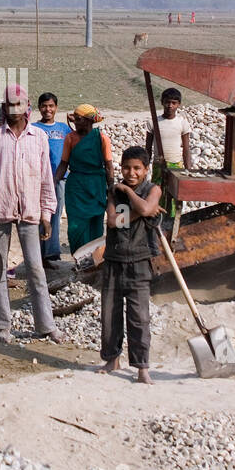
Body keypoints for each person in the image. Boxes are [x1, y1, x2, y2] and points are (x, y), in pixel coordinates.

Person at [0, 84, 62, 345]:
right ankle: (2, 324)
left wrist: (47, 213)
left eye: (19, 105)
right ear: (3, 109)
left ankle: (46, 325)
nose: (14, 111)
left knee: (36, 268)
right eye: (10, 106)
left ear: (27, 108)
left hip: (30, 211)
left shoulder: (39, 137)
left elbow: (47, 178)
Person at [99, 147, 161, 383]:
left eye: (137, 168)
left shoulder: (153, 189)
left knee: (139, 317)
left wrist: (139, 202)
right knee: (109, 315)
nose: (131, 173)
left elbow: (147, 207)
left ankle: (141, 366)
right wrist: (144, 210)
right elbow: (114, 222)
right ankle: (112, 357)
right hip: (114, 260)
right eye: (126, 168)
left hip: (140, 260)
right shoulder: (114, 191)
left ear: (146, 170)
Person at [55, 104, 114, 255]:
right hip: (76, 187)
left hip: (96, 186)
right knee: (76, 226)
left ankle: (94, 259)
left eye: (78, 118)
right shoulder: (70, 138)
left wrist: (112, 189)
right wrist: (53, 182)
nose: (75, 121)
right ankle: (78, 258)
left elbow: (108, 166)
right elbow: (63, 164)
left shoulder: (101, 138)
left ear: (88, 120)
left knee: (96, 225)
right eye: (74, 118)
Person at [33, 92, 71, 269]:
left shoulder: (64, 128)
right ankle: (37, 253)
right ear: (39, 107)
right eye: (44, 106)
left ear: (56, 107)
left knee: (55, 216)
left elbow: (76, 142)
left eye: (51, 106)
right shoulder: (33, 128)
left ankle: (52, 252)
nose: (47, 109)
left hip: (59, 180)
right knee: (37, 215)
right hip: (36, 180)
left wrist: (72, 123)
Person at [144, 87, 192, 168]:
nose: (170, 106)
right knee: (157, 181)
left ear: (179, 104)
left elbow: (186, 150)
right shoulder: (153, 122)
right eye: (167, 102)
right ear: (162, 102)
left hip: (176, 165)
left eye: (174, 103)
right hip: (158, 165)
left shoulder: (182, 123)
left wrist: (189, 171)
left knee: (174, 181)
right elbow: (148, 149)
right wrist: (145, 168)